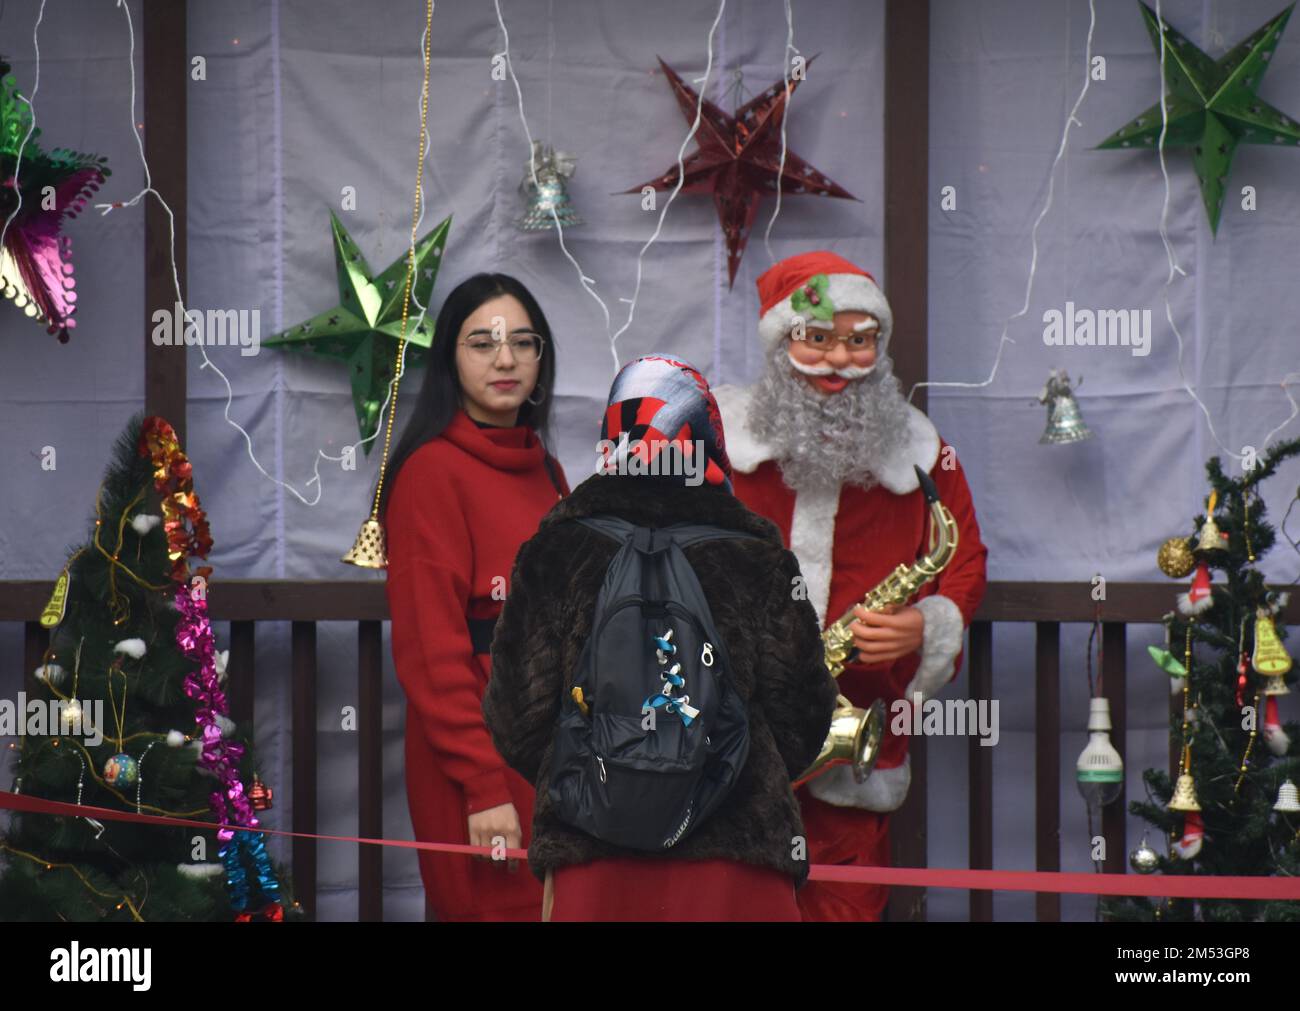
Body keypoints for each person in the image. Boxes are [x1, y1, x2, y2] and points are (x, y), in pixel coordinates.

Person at [483, 354, 838, 921]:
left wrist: (598, 776)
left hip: (592, 858)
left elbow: (515, 719)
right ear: (706, 436)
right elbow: (804, 718)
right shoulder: (759, 556)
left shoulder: (554, 550)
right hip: (737, 861)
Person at [712, 251, 988, 922]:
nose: (839, 358)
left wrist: (928, 625)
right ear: (782, 340)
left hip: (852, 751)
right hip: (724, 751)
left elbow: (965, 558)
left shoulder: (922, 453)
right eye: (818, 337)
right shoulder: (714, 437)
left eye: (859, 339)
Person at [381, 273, 569, 922]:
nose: (506, 358)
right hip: (478, 758)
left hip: (558, 751)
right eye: (482, 342)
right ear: (449, 361)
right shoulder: (430, 472)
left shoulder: (547, 468)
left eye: (522, 341)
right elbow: (432, 655)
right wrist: (485, 785)